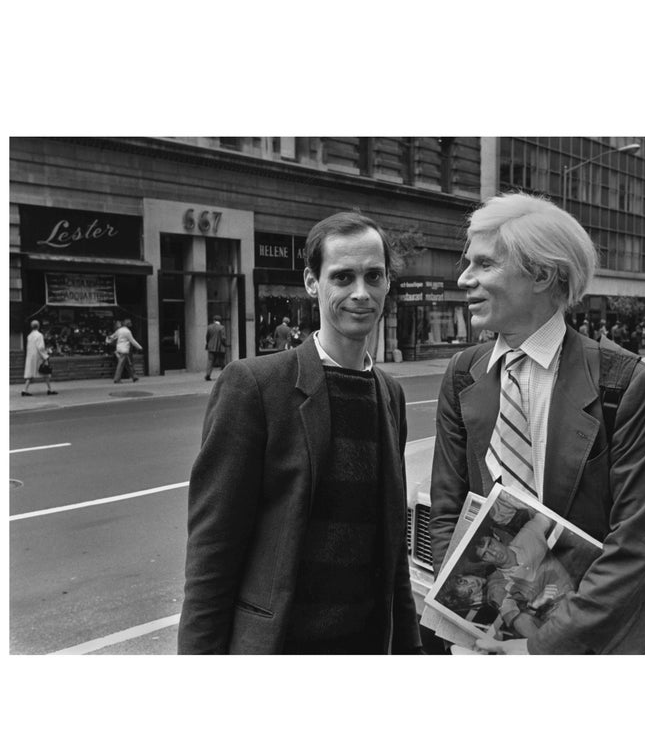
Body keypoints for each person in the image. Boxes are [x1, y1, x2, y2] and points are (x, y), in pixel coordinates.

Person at [429, 191, 645, 655]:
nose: (464, 279)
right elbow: (449, 514)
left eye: (484, 265)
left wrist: (542, 649)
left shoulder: (625, 384)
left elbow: (635, 544)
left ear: (540, 274)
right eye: (467, 263)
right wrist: (471, 621)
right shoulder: (463, 373)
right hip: (484, 638)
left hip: (578, 647)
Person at [178, 211, 422, 654]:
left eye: (374, 276)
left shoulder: (390, 394)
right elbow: (212, 553)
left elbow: (392, 556)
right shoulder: (254, 386)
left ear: (388, 283)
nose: (361, 293)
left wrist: (410, 649)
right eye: (343, 277)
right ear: (312, 282)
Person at [22, 319, 57, 396]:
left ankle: (24, 390)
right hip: (38, 357)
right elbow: (40, 347)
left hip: (31, 357)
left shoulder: (29, 336)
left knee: (30, 374)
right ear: (38, 326)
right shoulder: (39, 335)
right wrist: (45, 356)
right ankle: (49, 389)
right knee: (45, 372)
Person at [108, 318, 142, 383]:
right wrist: (139, 347)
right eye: (130, 324)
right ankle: (117, 379)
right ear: (128, 325)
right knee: (120, 365)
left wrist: (107, 340)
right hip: (124, 350)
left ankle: (134, 377)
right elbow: (132, 341)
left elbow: (112, 337)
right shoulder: (128, 332)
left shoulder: (119, 330)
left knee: (128, 364)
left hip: (119, 349)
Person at [204, 315, 227, 381]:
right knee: (222, 362)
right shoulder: (222, 327)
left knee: (210, 361)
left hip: (211, 347)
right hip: (220, 347)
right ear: (220, 321)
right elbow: (223, 338)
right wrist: (225, 344)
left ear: (214, 320)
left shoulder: (209, 327)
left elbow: (207, 337)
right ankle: (225, 375)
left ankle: (208, 375)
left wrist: (209, 344)